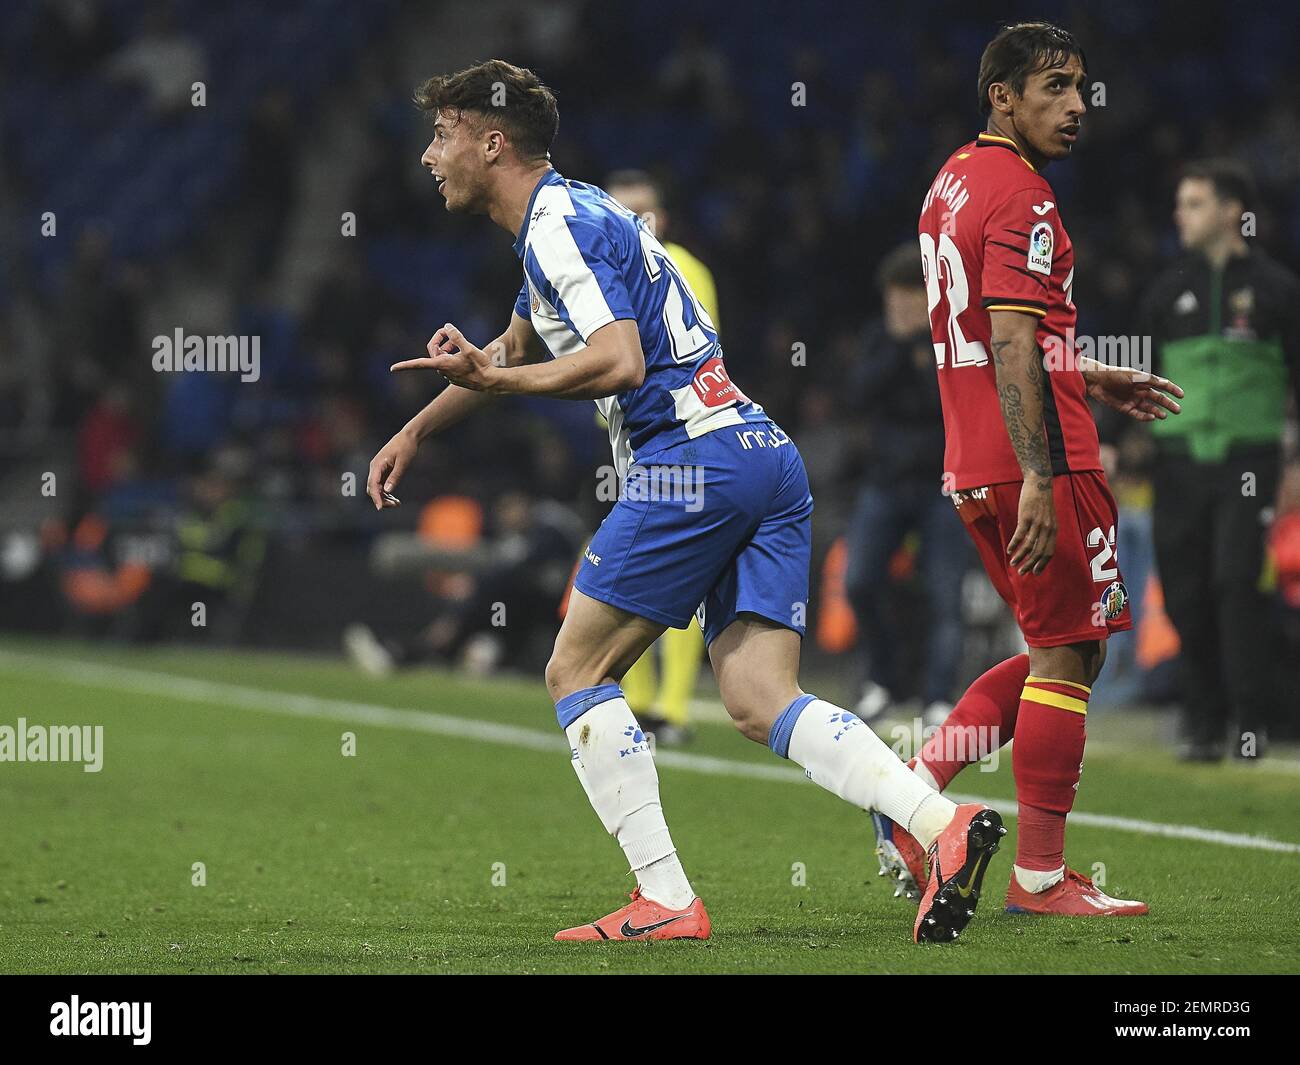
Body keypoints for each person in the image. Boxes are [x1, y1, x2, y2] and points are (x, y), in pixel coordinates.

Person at [366, 59, 1004, 944]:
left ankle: (666, 898)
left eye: (442, 134)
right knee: (756, 696)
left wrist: (498, 385)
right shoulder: (578, 215)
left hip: (687, 462)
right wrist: (419, 430)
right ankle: (943, 826)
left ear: (491, 140)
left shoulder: (558, 227)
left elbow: (619, 361)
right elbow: (508, 352)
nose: (431, 155)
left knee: (575, 671)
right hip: (760, 453)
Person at [870, 23, 1184, 918]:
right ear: (1002, 96)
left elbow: (992, 337)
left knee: (1064, 648)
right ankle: (1041, 880)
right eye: (1054, 87)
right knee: (1064, 655)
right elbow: (1009, 338)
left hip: (971, 456)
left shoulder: (950, 182)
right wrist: (1044, 477)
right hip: (1037, 458)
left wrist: (1088, 369)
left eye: (1081, 87)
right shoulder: (1025, 196)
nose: (1077, 106)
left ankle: (911, 792)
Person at [1140, 159, 1300, 761]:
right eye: (1181, 203)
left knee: (1235, 584)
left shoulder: (1278, 290)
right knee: (1183, 591)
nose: (1182, 214)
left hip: (1247, 461)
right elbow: (1137, 380)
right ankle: (1202, 722)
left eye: (1195, 203)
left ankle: (1250, 723)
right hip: (1176, 461)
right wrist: (1117, 443)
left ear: (1233, 211)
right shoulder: (1164, 292)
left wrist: (1295, 462)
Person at [596, 169, 719, 746]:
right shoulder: (602, 275)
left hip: (680, 438)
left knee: (668, 573)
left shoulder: (686, 271)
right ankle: (643, 704)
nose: (634, 222)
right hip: (629, 447)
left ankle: (672, 708)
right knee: (631, 569)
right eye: (622, 213)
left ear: (660, 220)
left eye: (642, 212)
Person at [844, 243, 970, 727]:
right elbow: (858, 393)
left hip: (943, 485)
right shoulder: (881, 339)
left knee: (944, 593)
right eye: (892, 299)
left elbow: (946, 405)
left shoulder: (952, 343)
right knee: (859, 581)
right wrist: (901, 347)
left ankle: (938, 696)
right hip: (886, 482)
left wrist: (920, 346)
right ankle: (884, 680)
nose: (897, 308)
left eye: (908, 299)